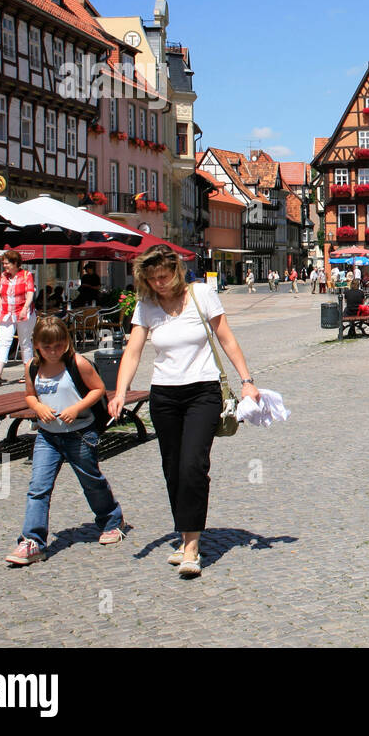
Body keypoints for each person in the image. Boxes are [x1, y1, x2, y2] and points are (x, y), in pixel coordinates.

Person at [109, 245, 260, 578]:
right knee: (173, 468)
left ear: (175, 271)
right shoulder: (147, 306)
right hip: (164, 396)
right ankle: (184, 535)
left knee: (193, 464)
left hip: (203, 393)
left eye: (163, 276)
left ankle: (192, 546)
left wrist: (247, 381)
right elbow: (133, 352)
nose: (159, 283)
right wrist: (119, 392)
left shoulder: (201, 295)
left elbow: (227, 339)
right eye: (152, 279)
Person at [4, 316, 124, 566]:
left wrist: (76, 408)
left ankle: (111, 520)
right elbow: (29, 394)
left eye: (58, 345)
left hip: (79, 433)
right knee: (38, 487)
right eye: (47, 347)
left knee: (91, 481)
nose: (53, 351)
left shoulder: (77, 363)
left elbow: (98, 389)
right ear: (37, 345)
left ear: (66, 343)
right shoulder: (32, 367)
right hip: (47, 436)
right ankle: (32, 540)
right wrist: (37, 406)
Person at [0, 250, 36, 386]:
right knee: (4, 341)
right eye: (3, 263)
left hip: (23, 312)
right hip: (7, 312)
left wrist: (25, 308)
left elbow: (30, 294)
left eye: (6, 263)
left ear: (15, 263)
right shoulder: (3, 276)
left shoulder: (27, 275)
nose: (4, 266)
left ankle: (28, 372)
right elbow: (2, 297)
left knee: (25, 343)